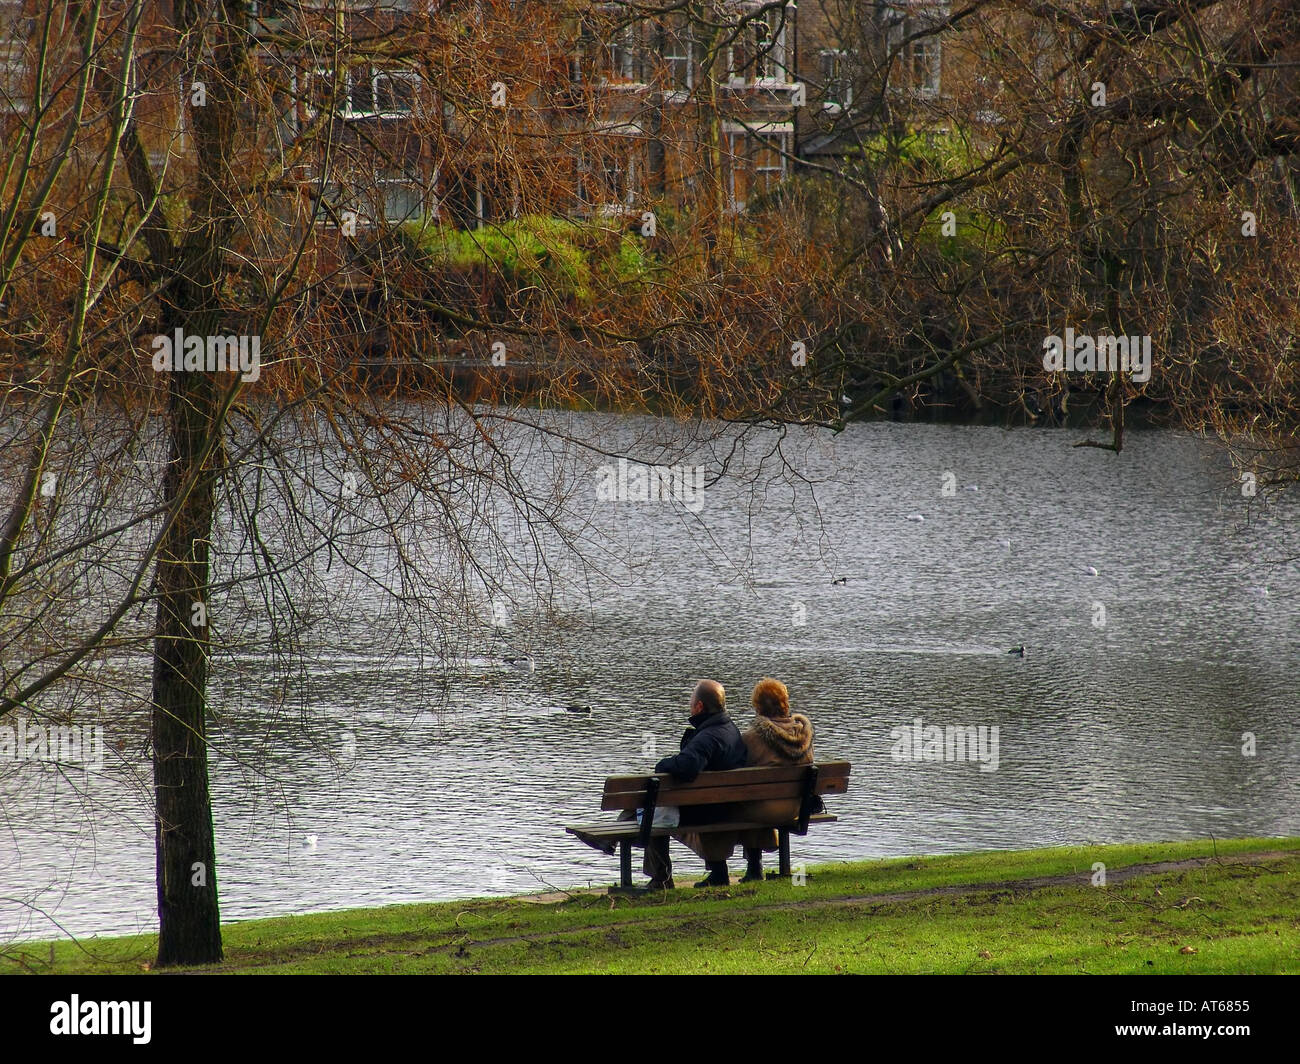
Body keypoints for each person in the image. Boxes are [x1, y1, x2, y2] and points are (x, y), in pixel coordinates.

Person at [644, 679, 748, 889]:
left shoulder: (708, 736)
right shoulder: (730, 729)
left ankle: (661, 878)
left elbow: (687, 767)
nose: (689, 703)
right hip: (731, 807)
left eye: (691, 699)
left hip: (708, 811)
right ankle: (718, 873)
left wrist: (661, 764)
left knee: (652, 809)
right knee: (651, 804)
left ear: (699, 706)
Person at [735, 678, 814, 882]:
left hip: (763, 810)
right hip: (797, 808)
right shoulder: (804, 735)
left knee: (745, 800)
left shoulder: (750, 738)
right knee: (758, 798)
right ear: (784, 704)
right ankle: (759, 868)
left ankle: (754, 867)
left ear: (758, 707)